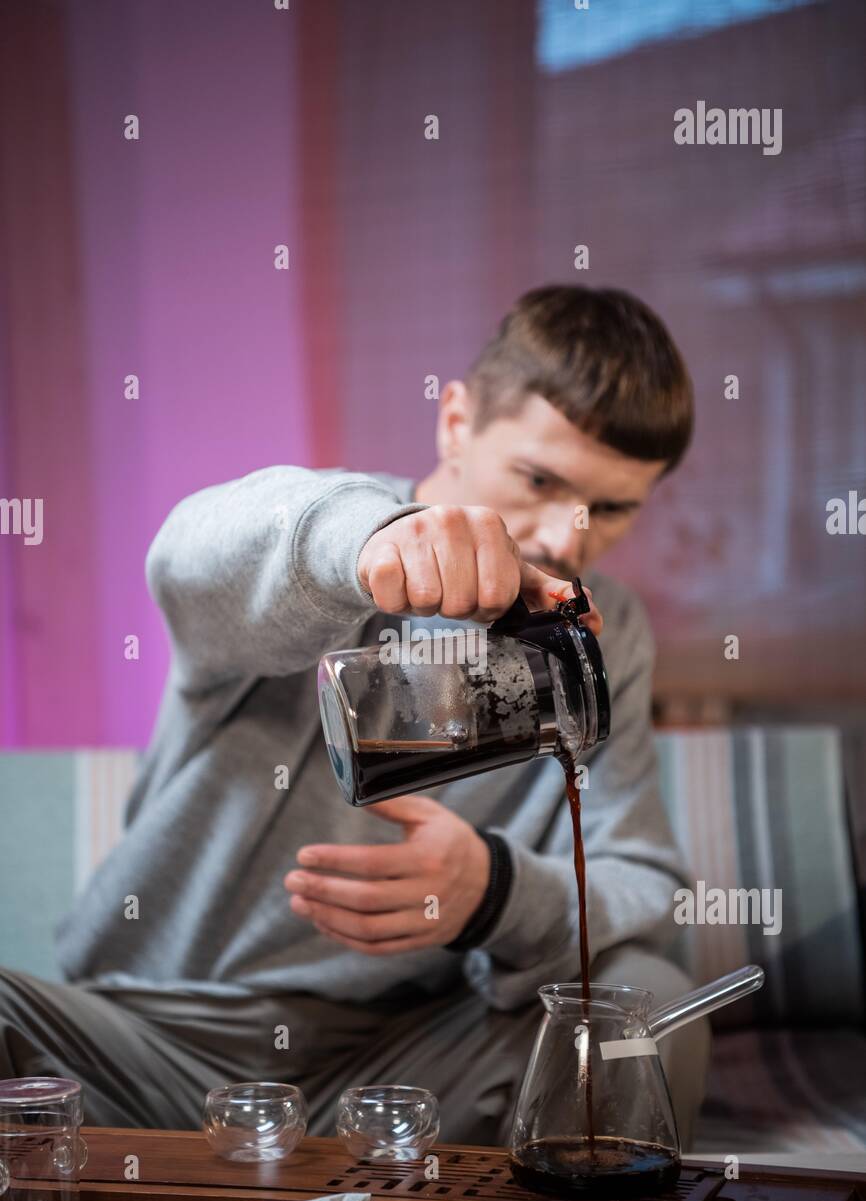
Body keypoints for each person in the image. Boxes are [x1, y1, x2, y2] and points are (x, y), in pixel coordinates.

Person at [0, 286, 711, 1148]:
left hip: (404, 1067)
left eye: (612, 507)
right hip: (144, 1040)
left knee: (651, 1005)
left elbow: (645, 882)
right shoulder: (332, 548)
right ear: (455, 421)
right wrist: (372, 540)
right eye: (539, 480)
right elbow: (185, 558)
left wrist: (494, 894)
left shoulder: (606, 631)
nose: (565, 536)